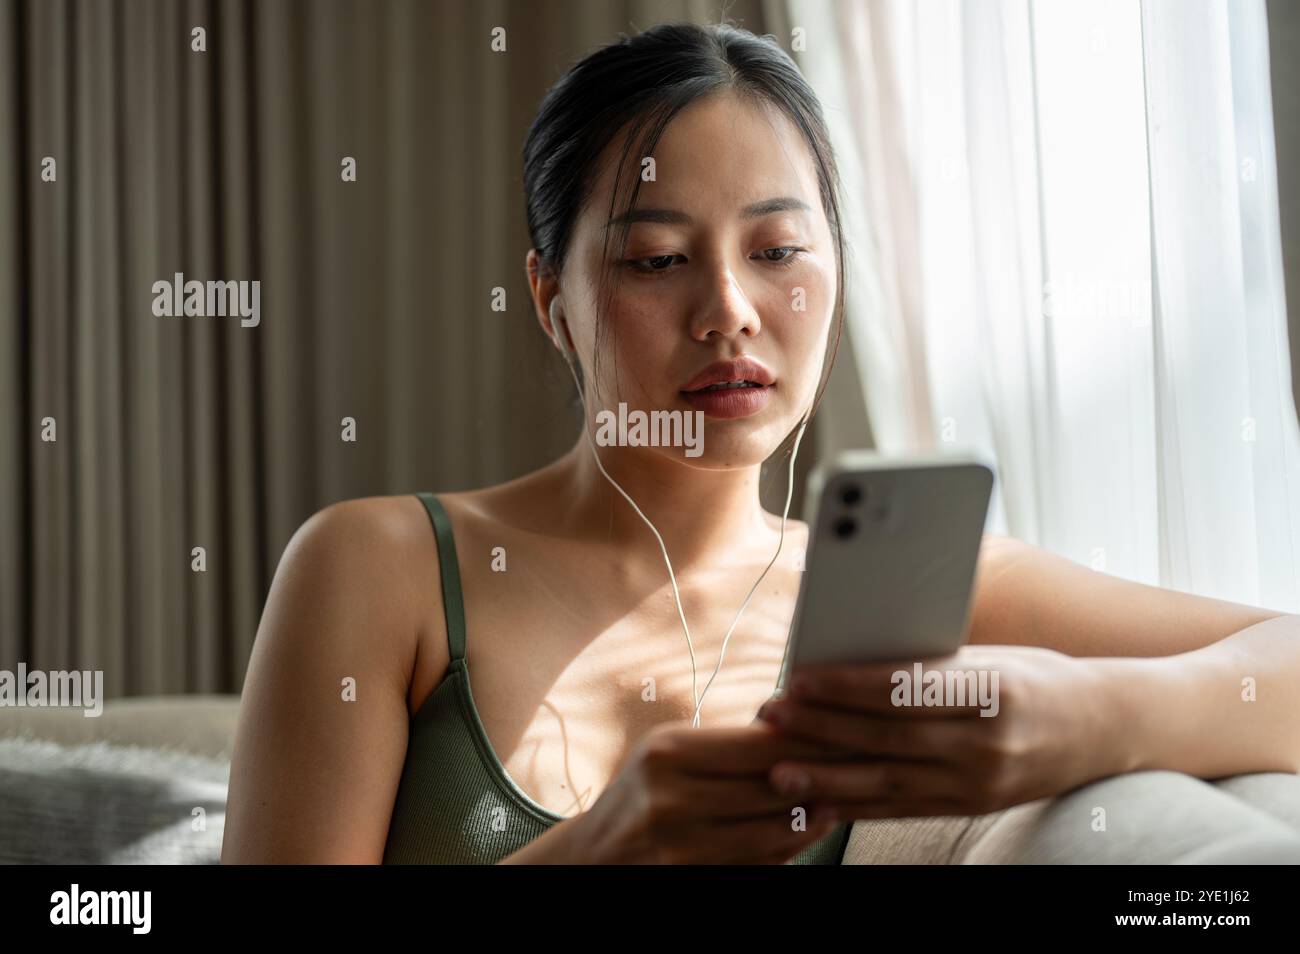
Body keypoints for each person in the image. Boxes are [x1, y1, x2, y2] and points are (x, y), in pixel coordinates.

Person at [220, 21, 1299, 866]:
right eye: (654, 261)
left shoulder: (913, 592)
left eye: (778, 247)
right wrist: (612, 846)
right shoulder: (377, 568)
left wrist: (1085, 717)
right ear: (549, 298)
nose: (729, 309)